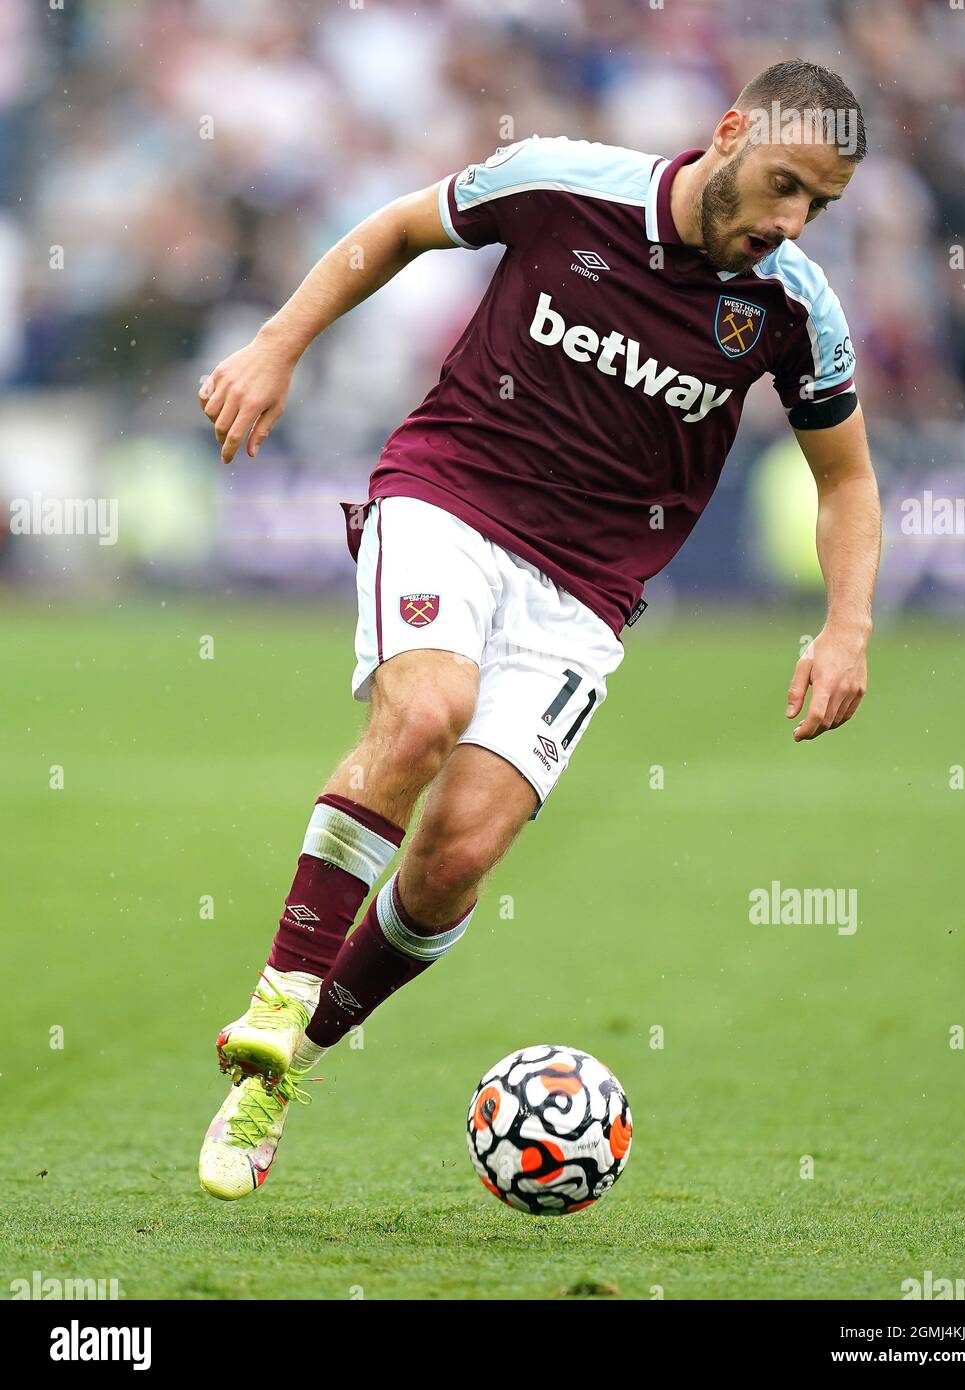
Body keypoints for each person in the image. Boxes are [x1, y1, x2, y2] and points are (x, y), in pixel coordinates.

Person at [196, 59, 881, 1199]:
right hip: (448, 496)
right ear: (726, 132)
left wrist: (846, 624)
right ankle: (280, 996)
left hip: (581, 593)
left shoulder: (791, 307)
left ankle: (280, 1073)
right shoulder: (562, 182)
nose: (788, 221)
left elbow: (844, 479)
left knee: (455, 857)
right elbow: (402, 227)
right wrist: (278, 343)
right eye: (779, 184)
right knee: (422, 715)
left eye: (817, 204)